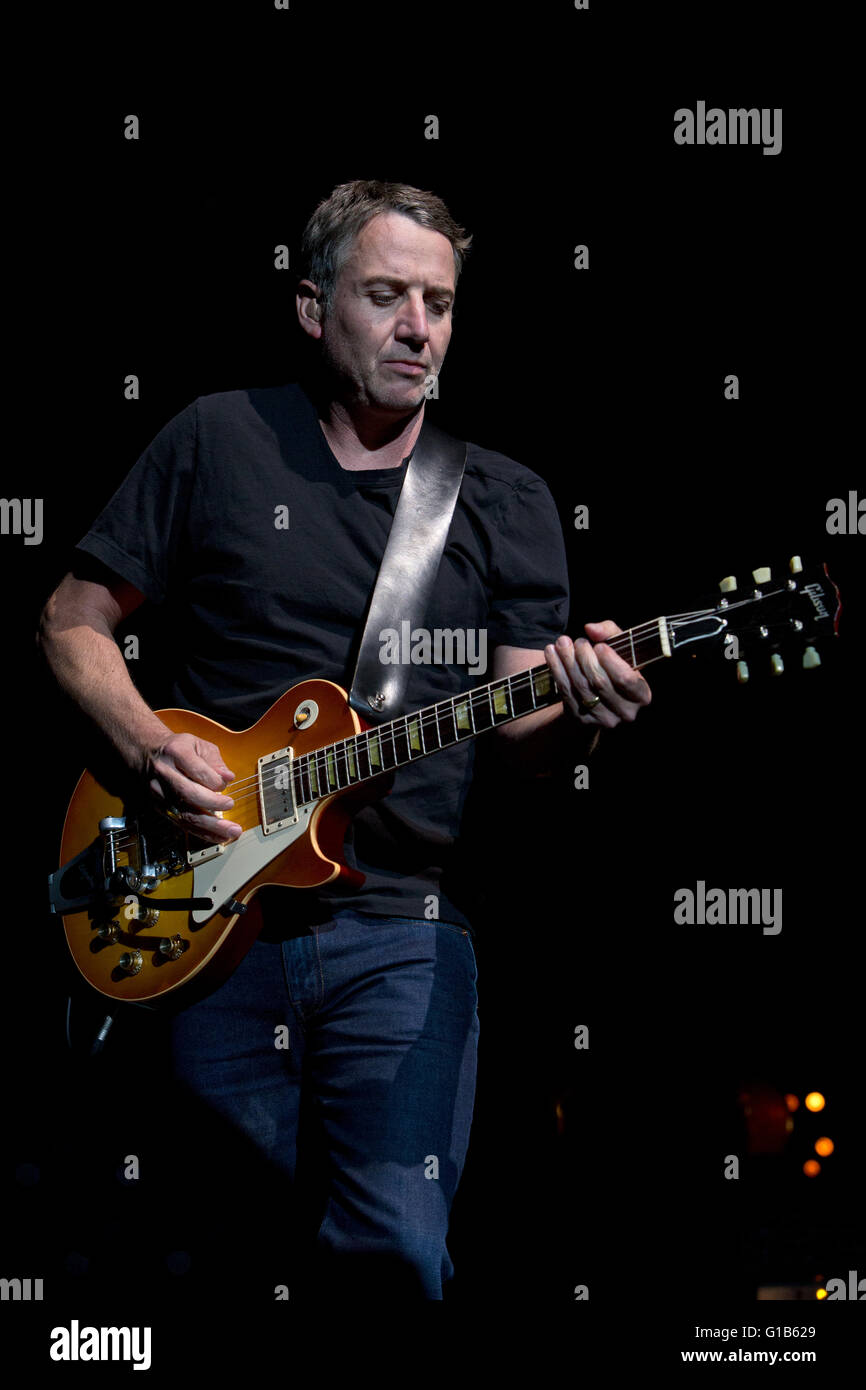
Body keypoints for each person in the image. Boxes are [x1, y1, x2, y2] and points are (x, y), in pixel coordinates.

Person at [38, 180, 651, 1301]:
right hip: (205, 916)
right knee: (215, 1260)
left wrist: (582, 710)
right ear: (313, 308)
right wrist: (138, 742)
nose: (420, 328)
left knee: (394, 1258)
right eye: (386, 295)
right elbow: (71, 617)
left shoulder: (504, 499)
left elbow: (521, 734)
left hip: (398, 927)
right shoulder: (215, 437)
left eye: (441, 301)